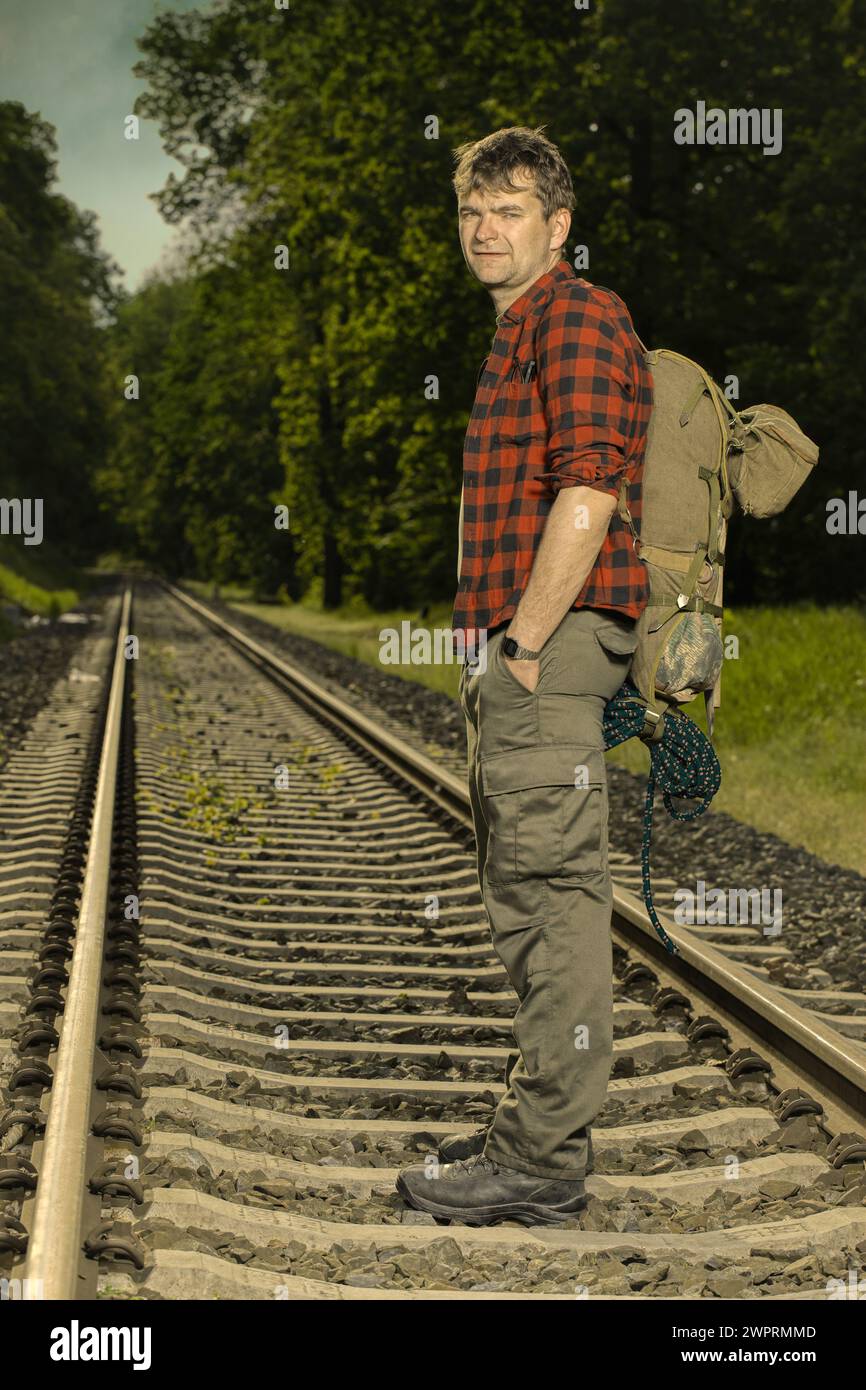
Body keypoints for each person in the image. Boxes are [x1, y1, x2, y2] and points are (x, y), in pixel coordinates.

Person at [396, 125, 652, 1225]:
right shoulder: (518, 333)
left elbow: (587, 492)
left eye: (508, 209)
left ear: (557, 226)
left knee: (551, 902)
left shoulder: (576, 314)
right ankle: (530, 1131)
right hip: (522, 653)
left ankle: (540, 1160)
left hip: (545, 651)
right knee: (525, 899)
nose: (483, 228)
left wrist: (525, 646)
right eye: (471, 211)